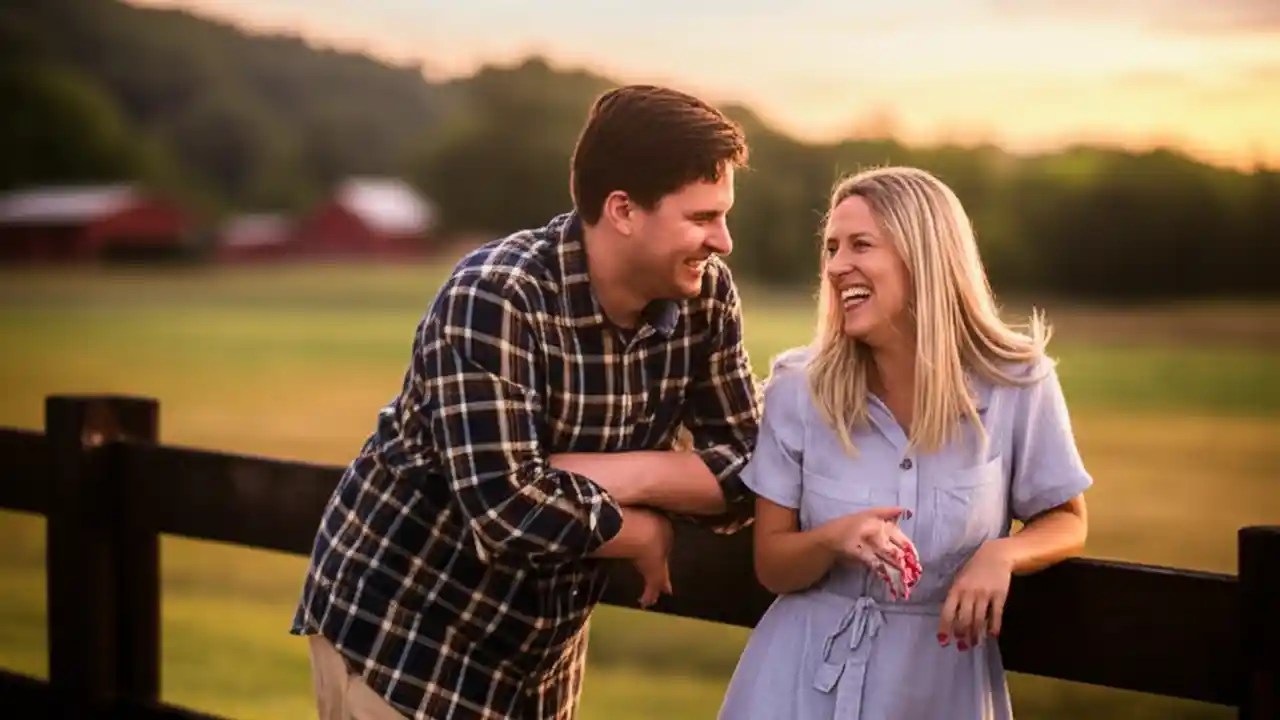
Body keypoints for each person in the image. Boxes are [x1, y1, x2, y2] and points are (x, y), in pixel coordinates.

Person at [292, 85, 762, 720]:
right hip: (405, 632)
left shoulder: (706, 297)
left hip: (540, 657)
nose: (723, 241)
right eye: (702, 218)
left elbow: (747, 469)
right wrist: (638, 527)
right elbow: (506, 512)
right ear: (622, 209)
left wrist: (630, 473)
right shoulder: (497, 296)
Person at [718, 166, 1092, 719]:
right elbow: (772, 564)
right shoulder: (799, 387)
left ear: (923, 255)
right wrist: (835, 538)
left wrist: (1003, 554)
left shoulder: (1018, 383)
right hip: (795, 686)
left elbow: (1067, 519)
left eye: (860, 245)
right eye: (832, 248)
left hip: (941, 685)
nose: (837, 266)